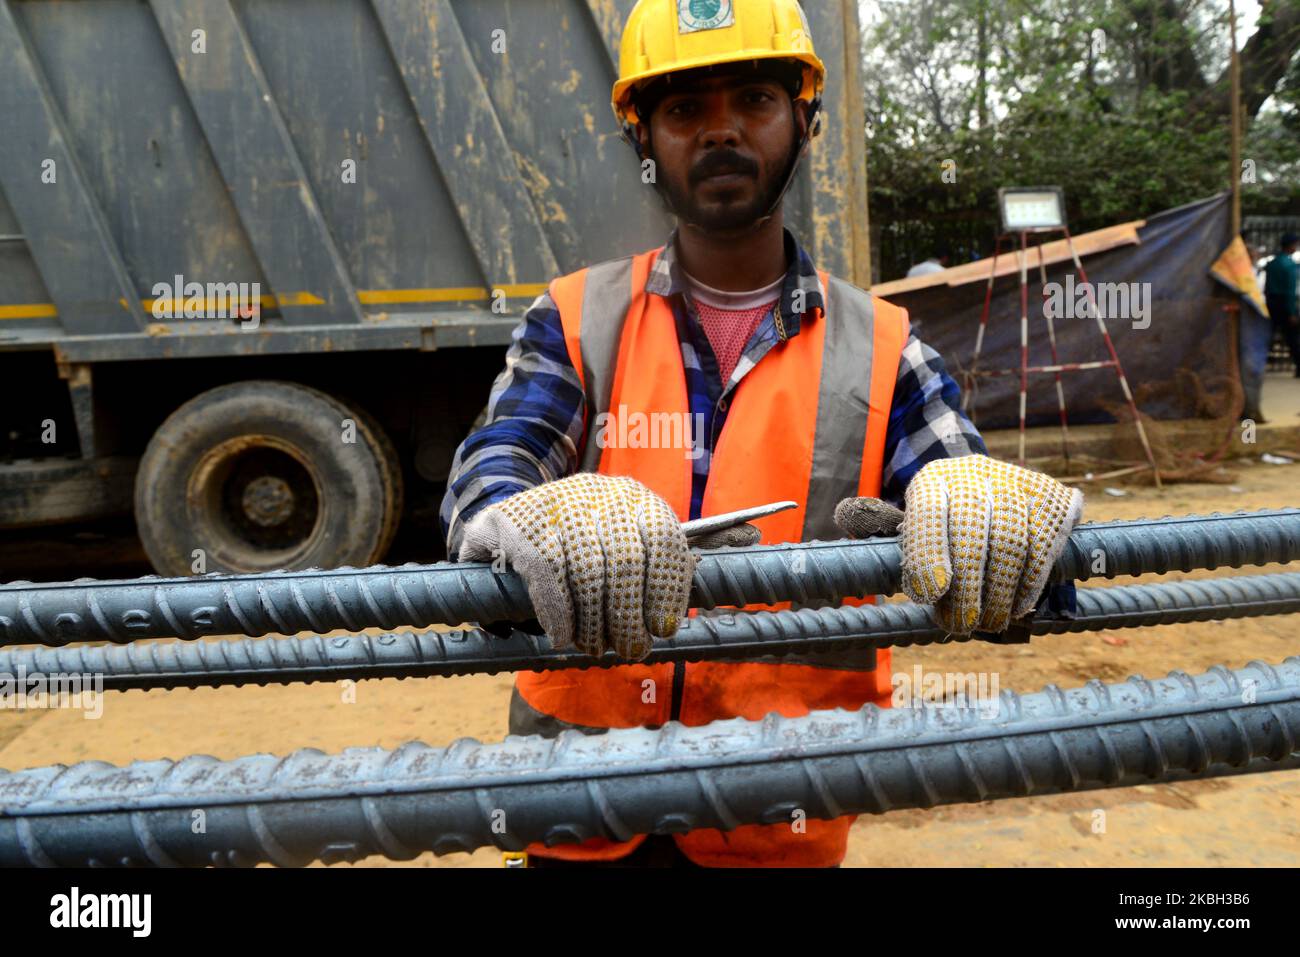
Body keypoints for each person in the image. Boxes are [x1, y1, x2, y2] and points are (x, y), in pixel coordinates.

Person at [439, 0, 1084, 868]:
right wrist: (515, 517)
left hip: (777, 813)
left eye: (753, 98)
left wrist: (970, 494)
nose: (720, 132)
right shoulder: (575, 316)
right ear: (643, 140)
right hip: (579, 807)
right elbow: (499, 458)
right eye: (683, 110)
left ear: (804, 119)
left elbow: (955, 479)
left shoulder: (886, 347)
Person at [1264, 232, 1300, 377]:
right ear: (1291, 246)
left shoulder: (1272, 264)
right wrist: (1292, 312)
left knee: (1267, 337)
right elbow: (1290, 291)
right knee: (1293, 338)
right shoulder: (1289, 266)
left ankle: (1259, 364)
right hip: (1285, 304)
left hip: (1272, 303)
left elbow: (1266, 287)